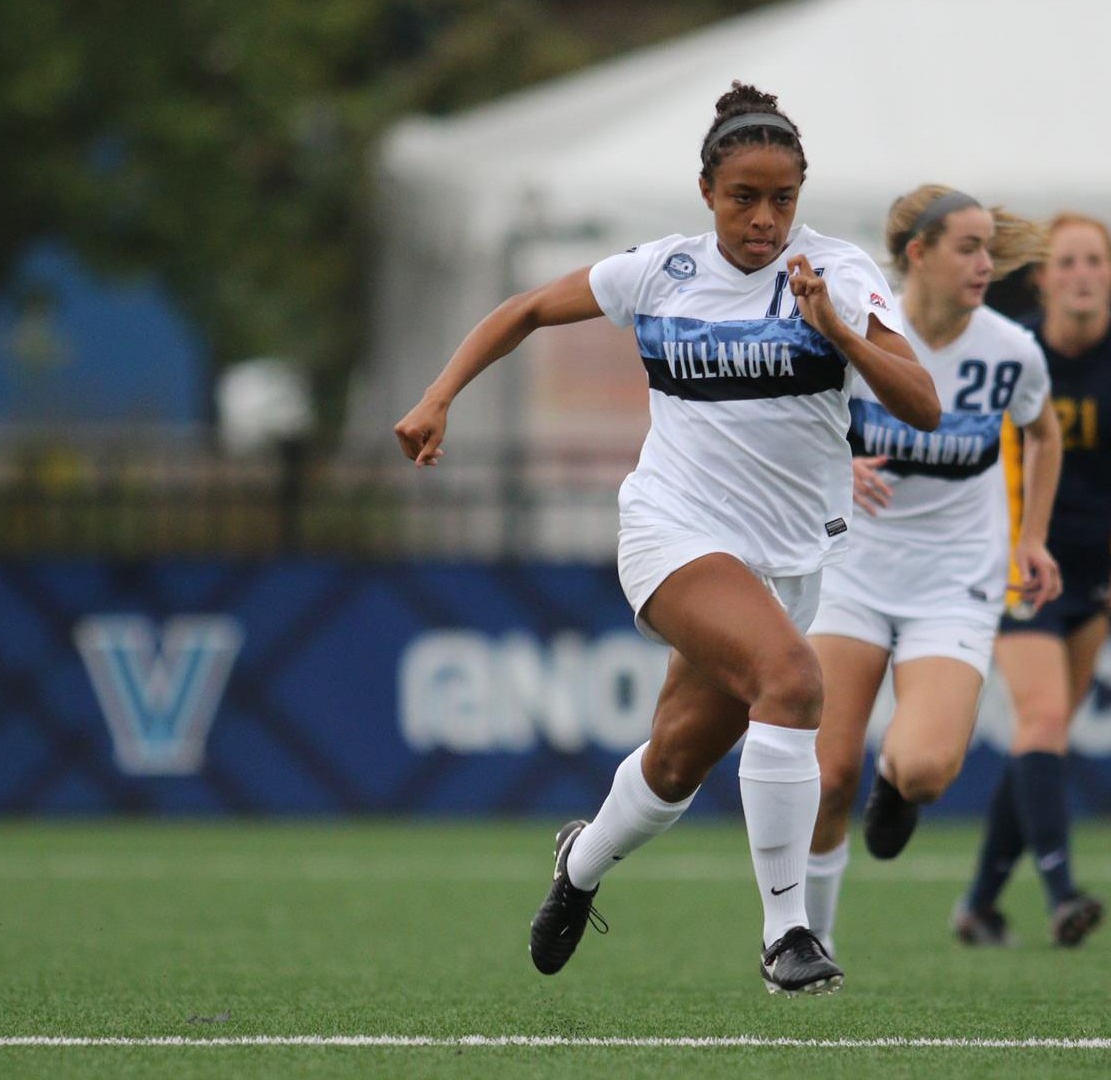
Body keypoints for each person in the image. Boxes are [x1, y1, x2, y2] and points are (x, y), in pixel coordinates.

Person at [392, 83, 937, 995]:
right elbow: (525, 309)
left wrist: (836, 329)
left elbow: (920, 402)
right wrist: (439, 395)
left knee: (676, 765)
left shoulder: (835, 275)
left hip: (791, 559)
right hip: (671, 532)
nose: (764, 220)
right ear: (705, 190)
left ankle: (580, 863)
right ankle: (786, 935)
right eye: (743, 198)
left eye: (782, 200)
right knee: (795, 683)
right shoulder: (660, 271)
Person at [801, 187, 1063, 956]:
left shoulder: (1010, 350)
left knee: (923, 770)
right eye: (968, 248)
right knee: (824, 775)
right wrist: (836, 469)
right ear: (917, 254)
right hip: (851, 566)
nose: (986, 264)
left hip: (956, 579)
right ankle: (805, 941)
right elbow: (788, 423)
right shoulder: (849, 329)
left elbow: (1043, 435)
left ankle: (897, 787)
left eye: (988, 248)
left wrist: (1034, 539)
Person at [954, 212, 1111, 947]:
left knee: (1041, 738)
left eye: (1096, 261)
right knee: (1046, 724)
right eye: (1068, 262)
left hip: (1096, 571)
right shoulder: (1008, 349)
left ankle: (979, 906)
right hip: (1021, 565)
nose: (1083, 274)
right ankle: (1062, 895)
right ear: (1044, 279)